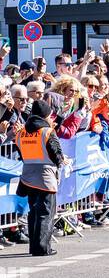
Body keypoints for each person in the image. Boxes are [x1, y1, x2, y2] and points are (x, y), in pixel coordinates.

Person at [17, 98, 65, 256]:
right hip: (46, 177)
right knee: (46, 212)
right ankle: (43, 248)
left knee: (33, 212)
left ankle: (34, 246)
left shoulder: (21, 132)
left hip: (28, 176)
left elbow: (21, 153)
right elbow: (57, 155)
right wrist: (62, 162)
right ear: (45, 116)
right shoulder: (48, 132)